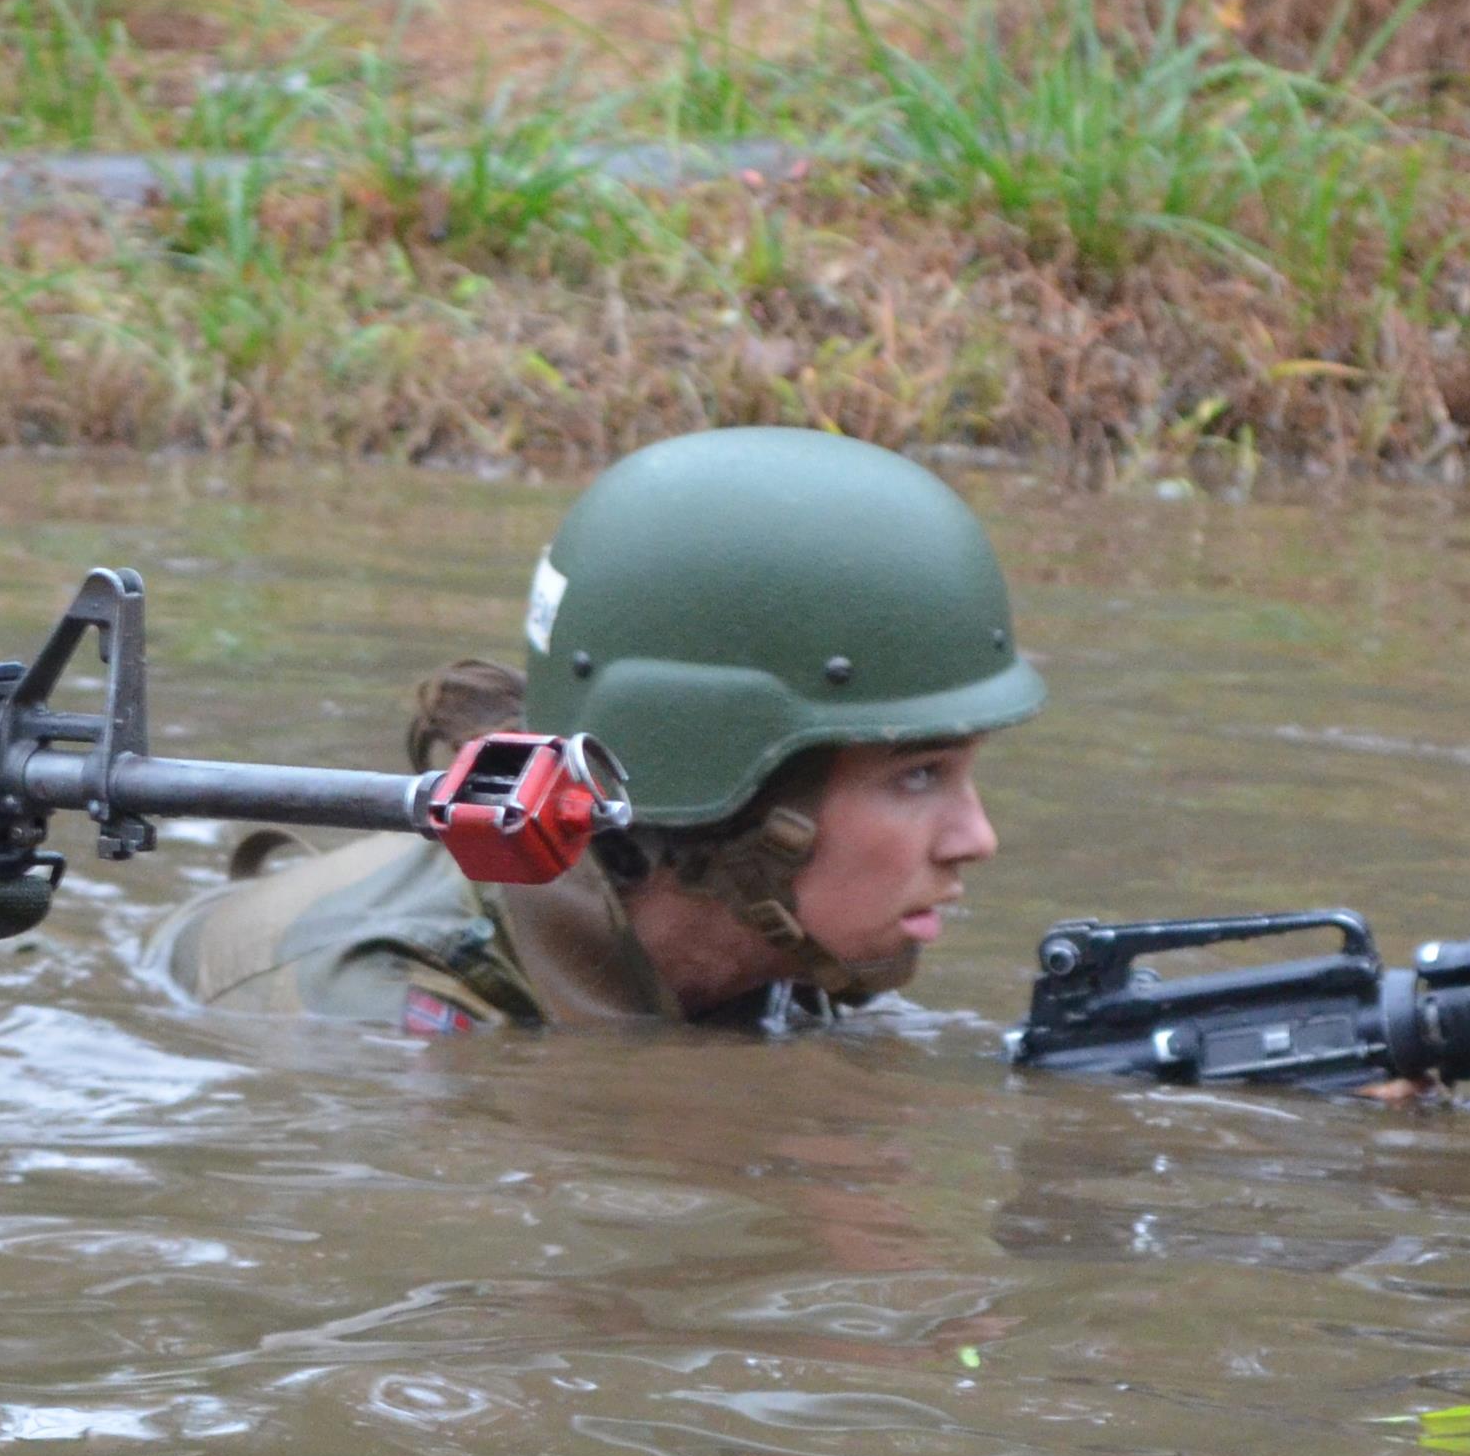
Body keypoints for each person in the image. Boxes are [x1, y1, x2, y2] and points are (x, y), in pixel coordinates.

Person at [162, 427, 1041, 1031]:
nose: (979, 839)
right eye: (918, 775)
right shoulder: (378, 1021)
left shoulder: (764, 953)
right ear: (728, 791)